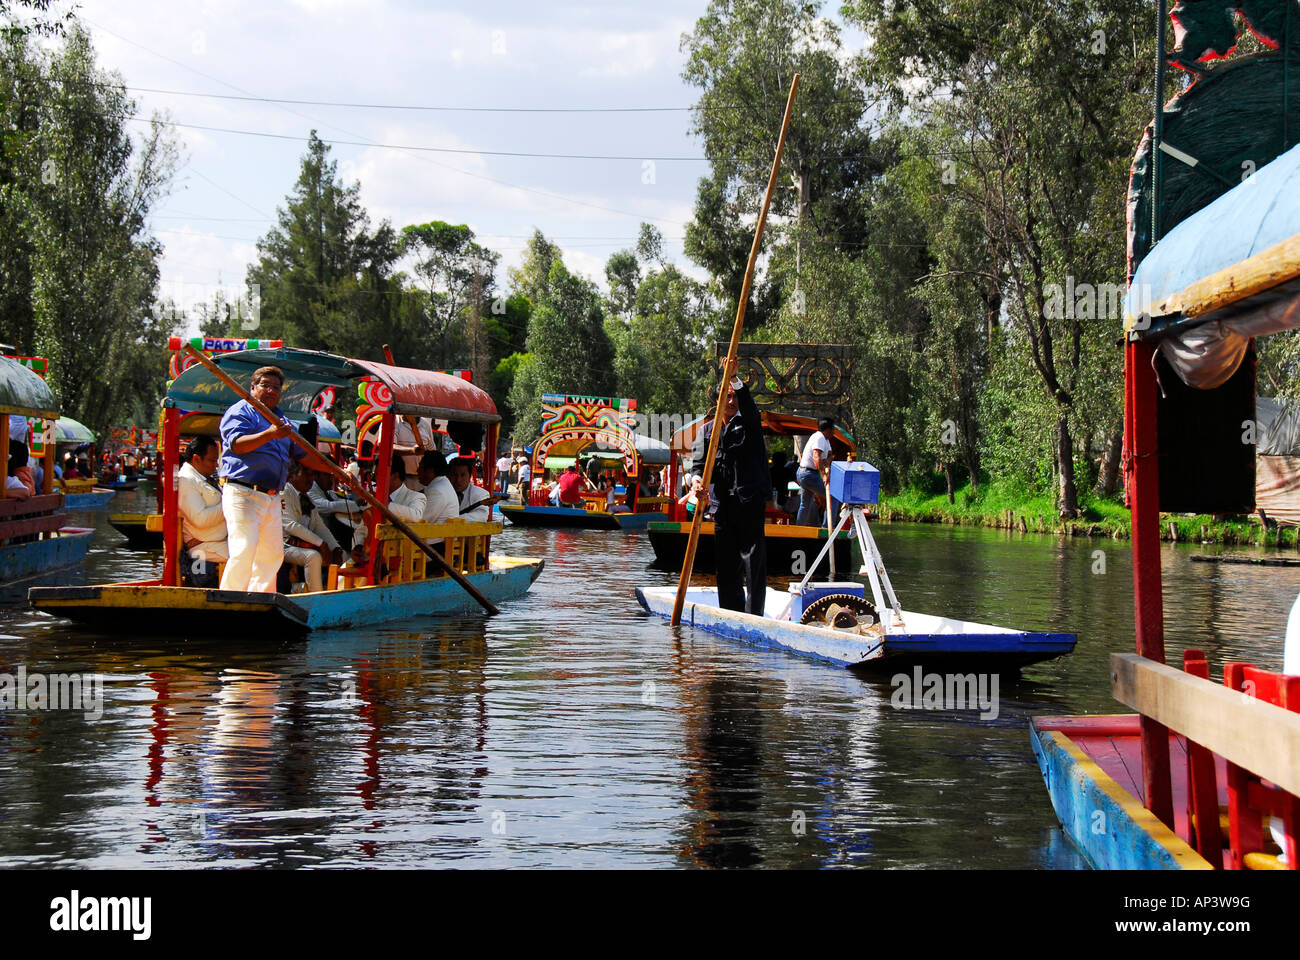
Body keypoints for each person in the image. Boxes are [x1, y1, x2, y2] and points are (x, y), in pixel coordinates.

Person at [217, 365, 310, 593]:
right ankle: (230, 598)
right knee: (244, 548)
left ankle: (261, 598)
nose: (271, 391)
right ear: (253, 387)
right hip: (243, 491)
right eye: (265, 385)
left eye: (276, 388)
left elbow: (304, 454)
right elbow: (237, 445)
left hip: (271, 496)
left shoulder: (282, 419)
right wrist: (270, 434)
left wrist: (338, 472)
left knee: (272, 554)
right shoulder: (241, 411)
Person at [691, 375, 770, 615]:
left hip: (749, 504)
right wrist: (697, 484)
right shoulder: (706, 431)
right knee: (725, 566)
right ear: (717, 400)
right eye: (726, 396)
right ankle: (731, 614)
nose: (731, 401)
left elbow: (749, 407)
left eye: (734, 396)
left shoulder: (749, 423)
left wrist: (734, 379)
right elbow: (697, 467)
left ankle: (754, 616)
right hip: (722, 507)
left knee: (753, 564)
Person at [281, 462, 343, 593]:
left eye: (312, 474)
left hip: (298, 545)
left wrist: (335, 547)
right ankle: (316, 597)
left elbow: (319, 526)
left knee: (342, 555)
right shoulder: (285, 491)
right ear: (292, 476)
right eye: (306, 474)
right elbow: (290, 526)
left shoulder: (306, 497)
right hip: (282, 544)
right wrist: (321, 544)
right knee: (313, 557)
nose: (311, 479)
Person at [177, 435, 229, 587]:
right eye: (212, 461)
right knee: (251, 556)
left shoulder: (203, 478)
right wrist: (230, 502)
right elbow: (200, 519)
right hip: (206, 547)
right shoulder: (186, 480)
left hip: (219, 543)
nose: (216, 465)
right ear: (196, 459)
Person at [796, 418, 837, 527]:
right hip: (808, 474)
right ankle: (827, 528)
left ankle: (799, 528)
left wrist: (827, 460)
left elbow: (830, 455)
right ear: (829, 429)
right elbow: (816, 457)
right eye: (833, 429)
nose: (834, 432)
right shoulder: (819, 437)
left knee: (805, 504)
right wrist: (824, 475)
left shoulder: (826, 440)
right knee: (833, 496)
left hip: (806, 474)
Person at [414, 450, 459, 544]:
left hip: (436, 545)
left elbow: (420, 520)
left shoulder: (437, 490)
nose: (417, 471)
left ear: (430, 470)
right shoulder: (441, 484)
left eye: (420, 468)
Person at [450, 456, 492, 521]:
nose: (458, 480)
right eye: (455, 475)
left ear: (469, 476)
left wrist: (451, 519)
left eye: (463, 475)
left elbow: (481, 516)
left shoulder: (481, 494)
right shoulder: (443, 492)